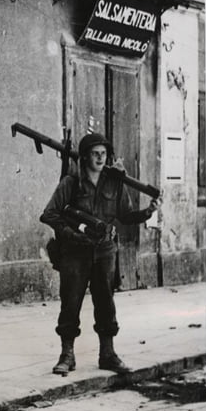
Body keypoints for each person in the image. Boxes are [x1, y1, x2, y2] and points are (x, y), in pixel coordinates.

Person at [40, 132, 161, 376]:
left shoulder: (114, 182)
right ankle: (67, 355)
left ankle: (108, 354)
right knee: (70, 301)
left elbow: (125, 215)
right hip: (75, 252)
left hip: (105, 251)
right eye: (95, 153)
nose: (100, 158)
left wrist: (148, 211)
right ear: (85, 157)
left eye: (103, 153)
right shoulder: (71, 182)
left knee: (105, 302)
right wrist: (70, 234)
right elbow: (49, 214)